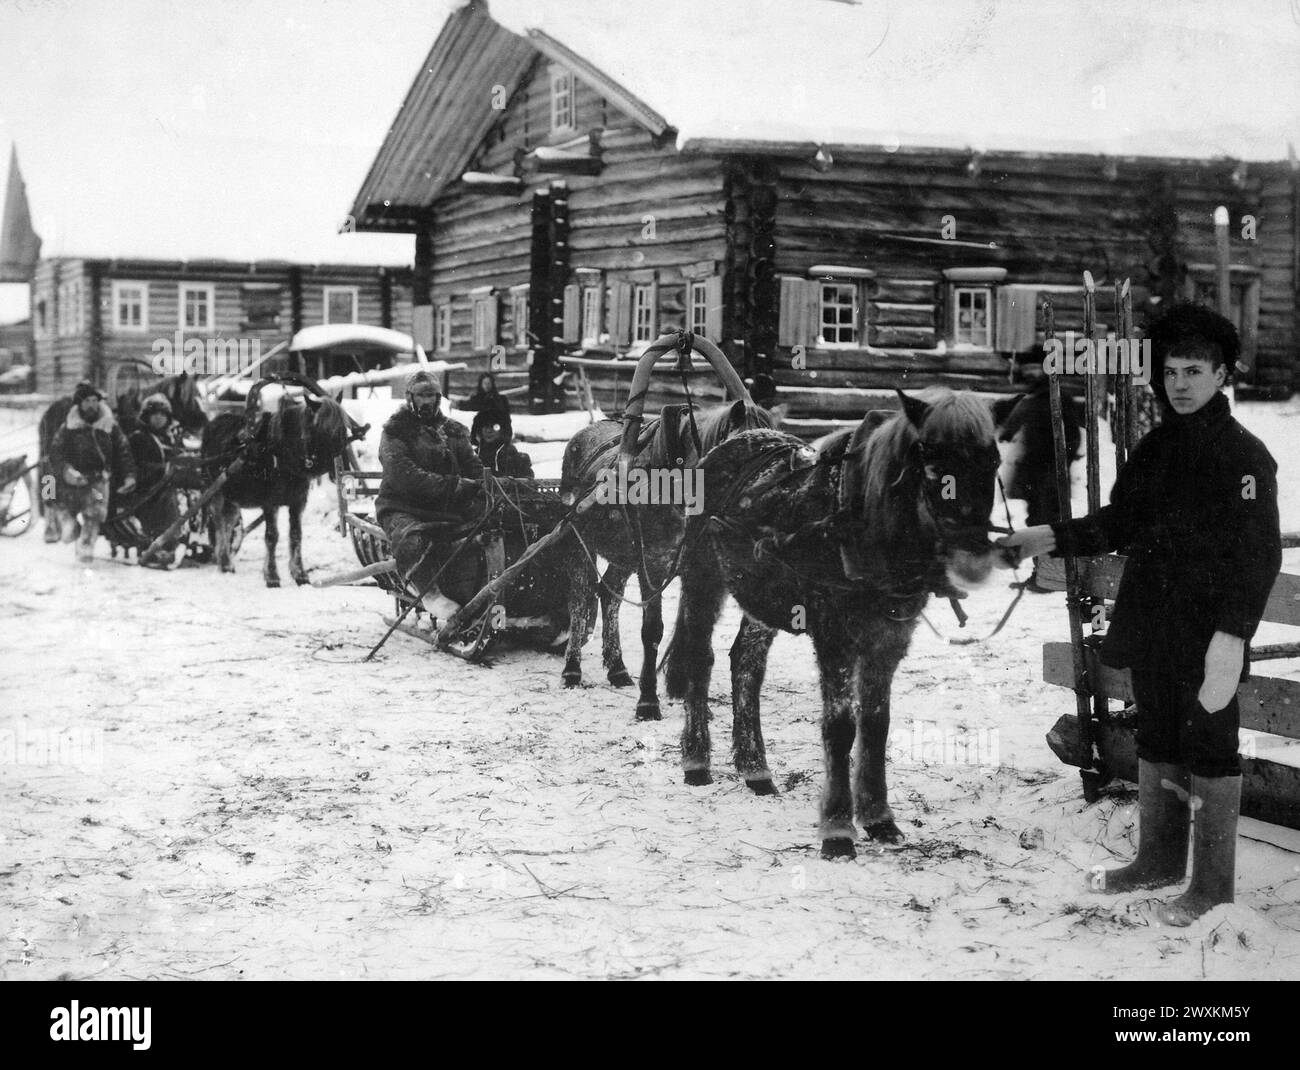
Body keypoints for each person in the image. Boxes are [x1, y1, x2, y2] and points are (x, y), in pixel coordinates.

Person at [999, 303, 1281, 926]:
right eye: (1171, 371)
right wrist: (1046, 536)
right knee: (1157, 734)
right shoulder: (1154, 449)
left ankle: (1211, 888)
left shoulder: (1246, 458)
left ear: (1222, 374)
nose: (1179, 383)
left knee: (1210, 741)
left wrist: (1232, 637)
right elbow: (1115, 523)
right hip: (1153, 620)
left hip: (1209, 633)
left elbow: (1257, 558)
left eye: (1194, 370)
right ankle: (1156, 861)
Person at [376, 370, 484, 621]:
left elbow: (472, 464)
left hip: (448, 506)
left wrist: (483, 483)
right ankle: (431, 595)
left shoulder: (454, 431)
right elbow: (405, 476)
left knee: (493, 525)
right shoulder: (395, 432)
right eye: (421, 396)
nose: (427, 402)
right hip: (402, 506)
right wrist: (454, 486)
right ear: (409, 397)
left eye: (432, 396)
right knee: (412, 538)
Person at [997, 359, 1082, 592]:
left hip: (1050, 473)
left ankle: (1051, 577)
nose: (1030, 374)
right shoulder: (1033, 398)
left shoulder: (1058, 397)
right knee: (1036, 521)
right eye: (1027, 370)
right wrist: (1007, 432)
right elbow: (1016, 421)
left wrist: (1062, 462)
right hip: (1033, 472)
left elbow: (1073, 434)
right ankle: (1042, 574)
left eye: (1034, 368)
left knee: (1049, 524)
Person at [48, 381, 137, 564]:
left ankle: (86, 550)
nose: (92, 405)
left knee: (93, 515)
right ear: (79, 404)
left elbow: (124, 451)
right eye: (87, 401)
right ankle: (73, 531)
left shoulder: (109, 425)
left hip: (98, 479)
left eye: (94, 400)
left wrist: (129, 476)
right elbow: (55, 453)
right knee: (66, 526)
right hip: (71, 480)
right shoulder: (68, 427)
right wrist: (66, 471)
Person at [124, 393, 184, 567]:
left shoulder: (170, 438)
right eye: (155, 414)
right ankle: (163, 545)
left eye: (163, 414)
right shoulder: (138, 438)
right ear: (147, 416)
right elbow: (133, 465)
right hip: (145, 489)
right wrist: (163, 469)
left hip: (167, 483)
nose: (159, 418)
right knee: (168, 499)